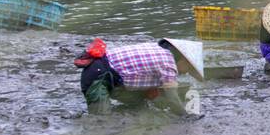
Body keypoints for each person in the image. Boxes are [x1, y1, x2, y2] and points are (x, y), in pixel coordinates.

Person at [74, 37, 205, 114]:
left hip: (109, 75)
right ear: (183, 59)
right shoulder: (168, 64)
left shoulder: (160, 51)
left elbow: (148, 87)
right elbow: (172, 98)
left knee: (140, 104)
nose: (185, 73)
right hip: (98, 77)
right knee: (100, 120)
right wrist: (185, 117)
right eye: (188, 69)